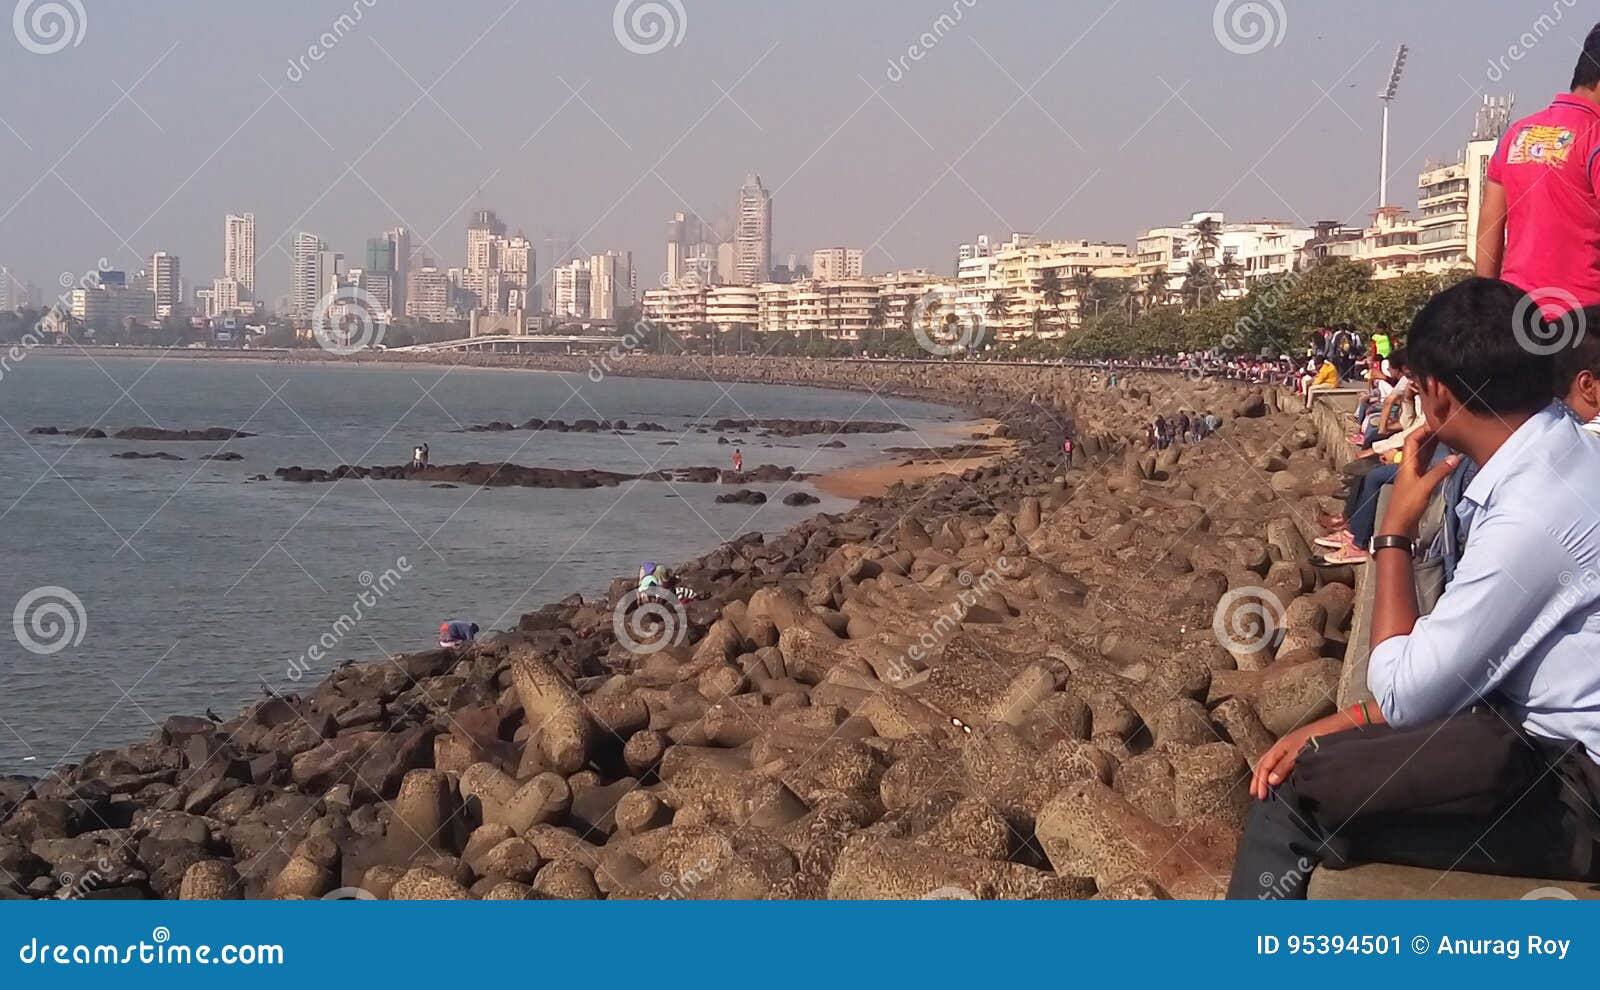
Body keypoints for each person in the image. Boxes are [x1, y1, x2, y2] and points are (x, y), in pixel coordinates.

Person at [1229, 278, 1600, 899]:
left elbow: (1404, 692)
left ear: (1439, 395)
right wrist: (1347, 722)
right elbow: (1476, 666)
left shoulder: (1532, 515)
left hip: (1576, 794)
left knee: (1293, 802)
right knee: (1333, 765)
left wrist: (1393, 532)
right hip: (1542, 746)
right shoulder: (1562, 457)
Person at [1477, 26, 1600, 312]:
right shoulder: (1594, 136)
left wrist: (1483, 313)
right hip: (1585, 324)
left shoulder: (1516, 134)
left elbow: (1490, 226)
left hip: (1516, 318)